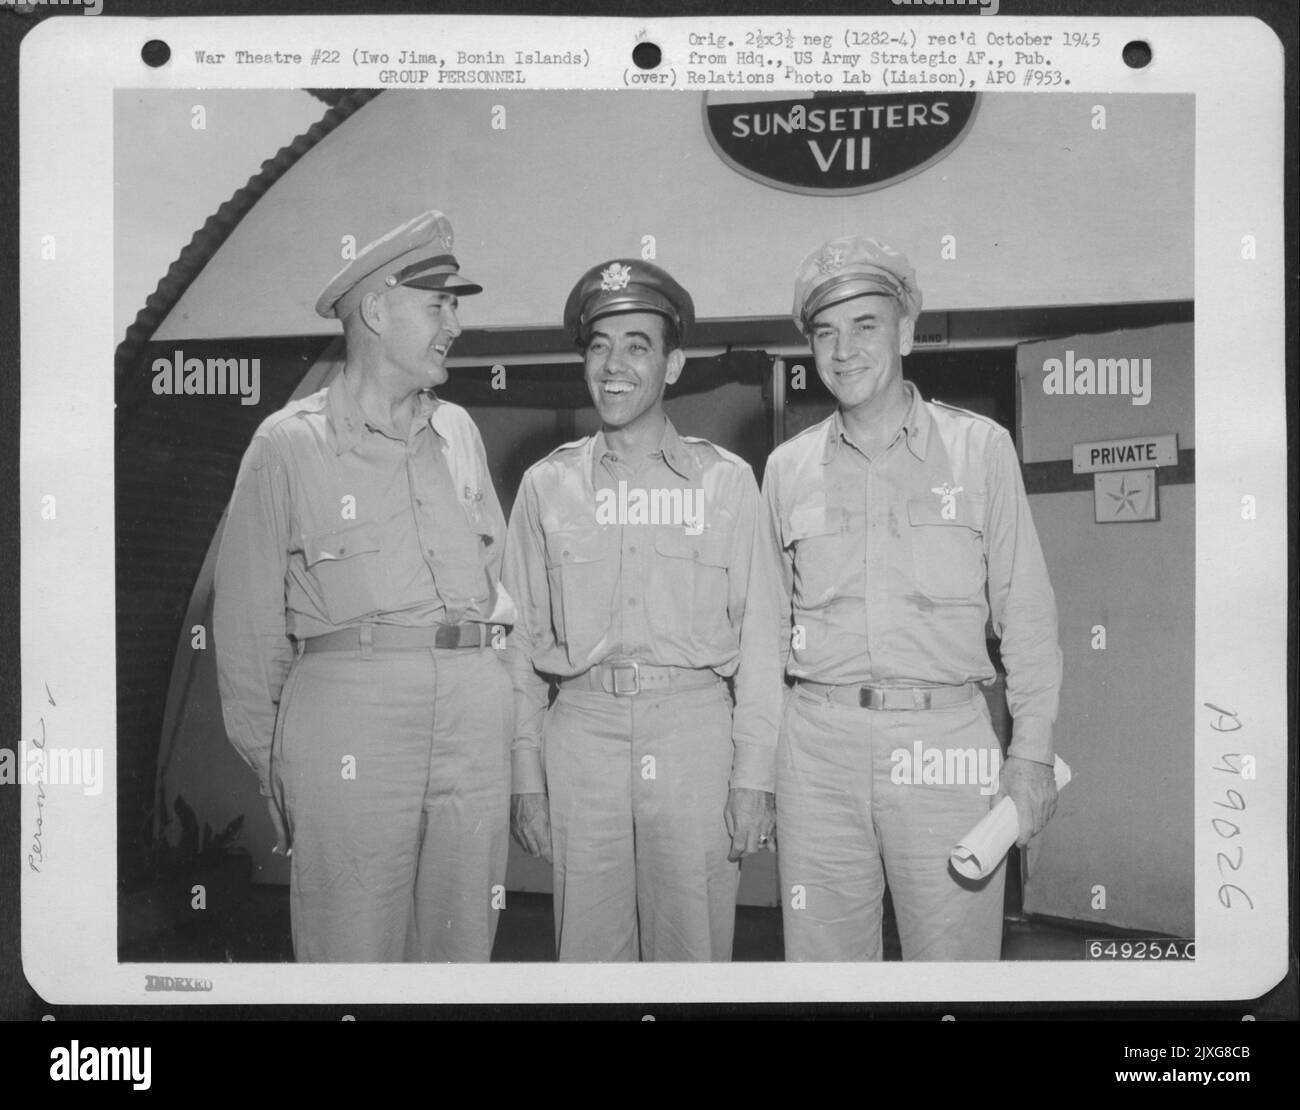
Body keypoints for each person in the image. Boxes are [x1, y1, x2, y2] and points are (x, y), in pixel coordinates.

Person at [213, 210, 515, 962]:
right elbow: (247, 638)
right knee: (352, 952)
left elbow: (503, 589)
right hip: (351, 720)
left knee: (460, 949)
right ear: (377, 309)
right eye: (439, 302)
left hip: (473, 719)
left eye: (456, 304)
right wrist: (277, 767)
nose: (456, 322)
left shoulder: (461, 434)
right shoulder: (288, 445)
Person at [750, 235, 1063, 961]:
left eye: (865, 325)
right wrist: (754, 776)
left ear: (907, 332)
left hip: (946, 747)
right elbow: (763, 640)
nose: (844, 349)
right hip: (817, 748)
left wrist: (1033, 752)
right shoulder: (786, 470)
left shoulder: (980, 451)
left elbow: (1028, 616)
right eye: (824, 332)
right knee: (826, 979)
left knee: (952, 970)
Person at [503, 259, 777, 962]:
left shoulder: (727, 483)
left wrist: (754, 777)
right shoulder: (545, 486)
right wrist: (527, 778)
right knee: (587, 962)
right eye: (598, 345)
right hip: (582, 734)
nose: (613, 364)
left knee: (693, 955)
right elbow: (518, 647)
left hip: (692, 732)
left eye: (636, 344)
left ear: (673, 363)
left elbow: (763, 645)